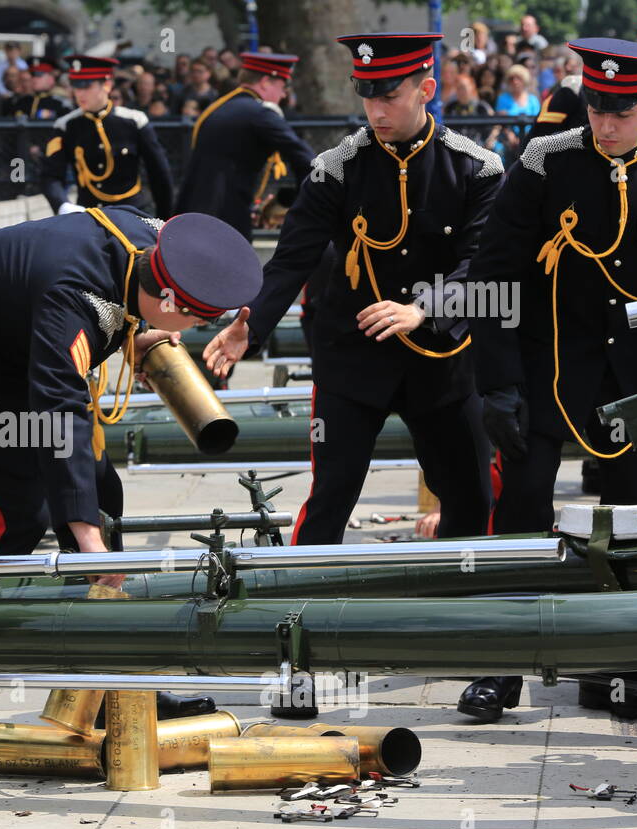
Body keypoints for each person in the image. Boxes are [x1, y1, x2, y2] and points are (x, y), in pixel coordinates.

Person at [0, 208, 264, 756]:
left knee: (104, 494)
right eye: (191, 322)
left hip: (11, 338)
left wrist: (91, 525)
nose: (189, 334)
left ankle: (118, 689)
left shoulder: (150, 245)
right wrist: (85, 540)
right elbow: (59, 411)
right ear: (170, 300)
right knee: (10, 518)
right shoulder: (74, 297)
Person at [201, 33, 500, 551]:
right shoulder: (336, 167)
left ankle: (461, 604)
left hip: (442, 358)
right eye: (367, 95)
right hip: (353, 356)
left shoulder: (476, 167)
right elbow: (292, 258)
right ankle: (301, 604)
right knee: (331, 495)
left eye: (389, 96)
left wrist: (423, 308)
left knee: (471, 496)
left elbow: (484, 266)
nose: (375, 110)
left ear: (426, 88)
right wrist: (250, 325)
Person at [459, 37, 637, 722]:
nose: (604, 125)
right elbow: (494, 274)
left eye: (622, 112)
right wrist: (496, 383)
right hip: (547, 368)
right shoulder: (546, 163)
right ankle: (500, 669)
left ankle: (630, 666)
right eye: (596, 109)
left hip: (636, 376)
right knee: (521, 509)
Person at [175, 52, 314, 240]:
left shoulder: (220, 108)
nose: (282, 95)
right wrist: (294, 206)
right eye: (282, 87)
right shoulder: (260, 114)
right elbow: (306, 161)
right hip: (227, 220)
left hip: (195, 216)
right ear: (265, 82)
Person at [40, 55, 174, 218]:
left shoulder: (134, 121)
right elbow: (51, 176)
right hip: (90, 216)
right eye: (75, 86)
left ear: (107, 85)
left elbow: (159, 174)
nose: (79, 93)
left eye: (86, 86)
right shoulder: (66, 126)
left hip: (133, 214)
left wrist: (164, 219)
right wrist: (62, 205)